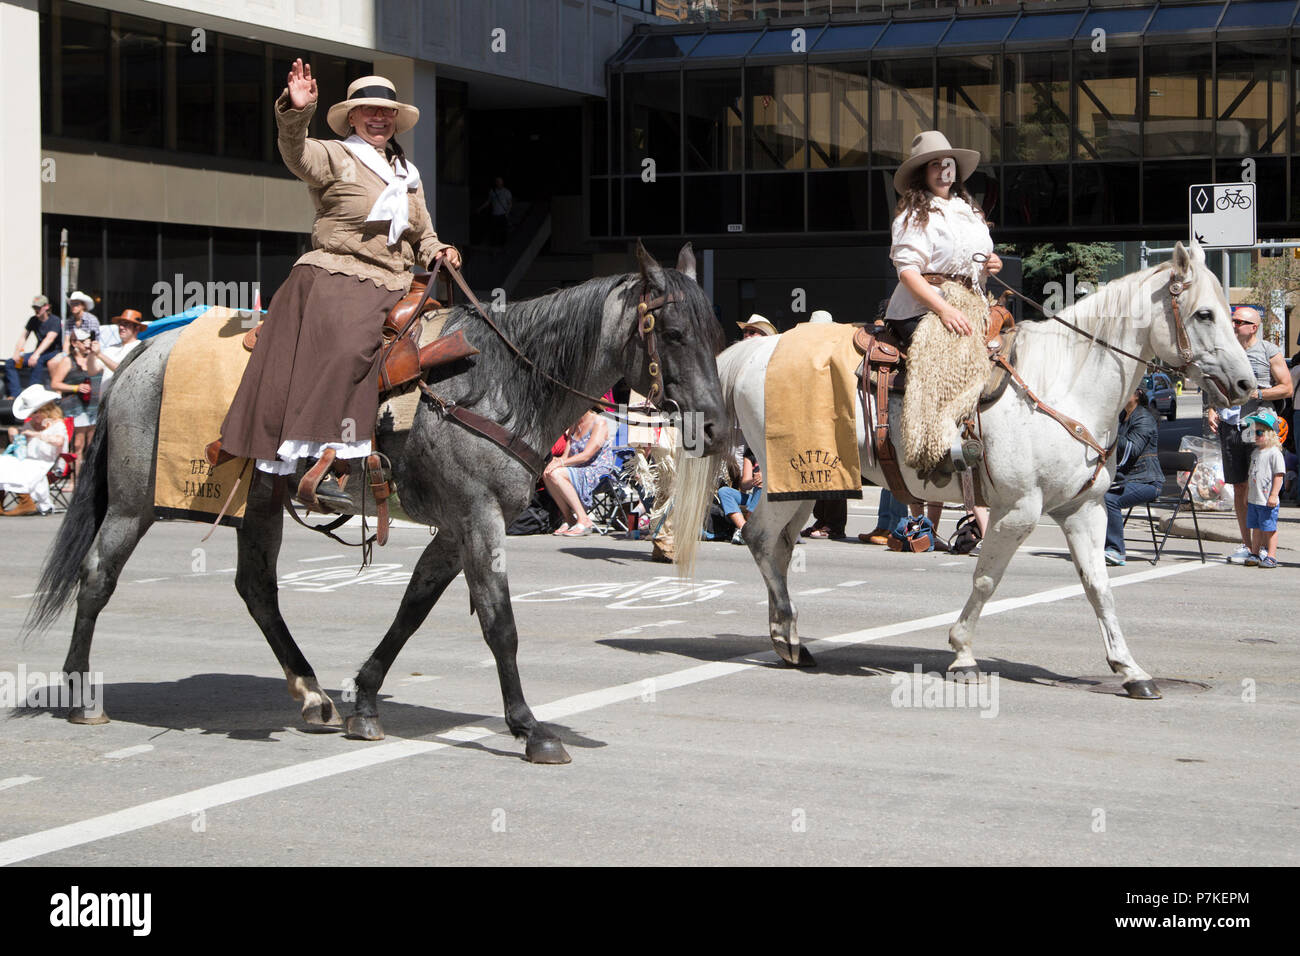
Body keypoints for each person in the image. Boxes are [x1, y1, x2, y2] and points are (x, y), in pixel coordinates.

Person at [218, 63, 461, 506]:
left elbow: (421, 233)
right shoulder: (334, 155)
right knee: (351, 347)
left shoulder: (408, 173)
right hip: (336, 273)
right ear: (352, 117)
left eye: (386, 112)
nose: (379, 118)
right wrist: (297, 111)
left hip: (397, 281)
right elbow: (296, 155)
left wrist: (439, 250)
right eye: (368, 110)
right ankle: (314, 458)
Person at [885, 130, 1002, 479]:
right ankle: (932, 445)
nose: (942, 171)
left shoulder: (969, 211)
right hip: (923, 306)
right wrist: (943, 309)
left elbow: (974, 262)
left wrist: (992, 265)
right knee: (944, 355)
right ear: (922, 173)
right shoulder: (913, 216)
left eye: (947, 164)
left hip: (973, 302)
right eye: (934, 165)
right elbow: (908, 272)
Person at [1205, 306, 1290, 563]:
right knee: (1240, 486)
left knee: (1260, 487)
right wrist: (1211, 408)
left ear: (1253, 327)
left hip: (1257, 425)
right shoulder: (1225, 350)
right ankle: (1246, 545)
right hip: (1230, 424)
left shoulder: (1268, 351)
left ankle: (1263, 547)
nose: (1233, 325)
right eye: (1232, 321)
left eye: (1239, 322)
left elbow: (1286, 387)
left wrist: (1258, 394)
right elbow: (1215, 383)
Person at [1103, 388, 1163, 566]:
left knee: (1109, 499)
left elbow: (1131, 448)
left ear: (1137, 394)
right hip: (1126, 479)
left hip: (1148, 481)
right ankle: (1098, 545)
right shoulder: (1122, 417)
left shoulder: (1144, 418)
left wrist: (1110, 433)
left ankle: (1116, 550)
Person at [543, 408, 617, 537]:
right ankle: (569, 518)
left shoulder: (599, 422)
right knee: (547, 472)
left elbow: (587, 456)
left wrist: (560, 464)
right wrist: (555, 462)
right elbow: (566, 456)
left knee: (557, 473)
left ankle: (584, 519)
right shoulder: (574, 425)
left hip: (597, 470)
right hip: (578, 468)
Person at [0, 385, 67, 516]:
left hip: (48, 463)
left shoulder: (57, 424)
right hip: (29, 459)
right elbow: (20, 445)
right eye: (33, 413)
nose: (33, 416)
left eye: (36, 412)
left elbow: (59, 441)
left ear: (46, 410)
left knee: (22, 467)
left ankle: (26, 502)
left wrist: (36, 434)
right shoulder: (30, 424)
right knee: (3, 461)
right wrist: (14, 435)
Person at [48, 329, 101, 484]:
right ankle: (75, 482)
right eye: (83, 341)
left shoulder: (94, 357)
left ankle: (89, 482)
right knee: (78, 445)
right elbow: (55, 383)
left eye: (88, 340)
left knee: (91, 445)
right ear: (74, 343)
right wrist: (76, 388)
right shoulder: (68, 361)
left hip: (93, 406)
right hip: (75, 407)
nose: (87, 343)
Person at [1241, 408, 1285, 569]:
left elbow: (1278, 476)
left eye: (1258, 432)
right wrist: (1246, 494)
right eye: (1253, 432)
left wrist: (1274, 495)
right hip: (1254, 498)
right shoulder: (1255, 453)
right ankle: (1255, 552)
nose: (1255, 436)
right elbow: (1251, 475)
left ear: (1270, 434)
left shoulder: (1274, 453)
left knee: (1269, 528)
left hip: (1267, 499)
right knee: (1256, 527)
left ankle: (1271, 555)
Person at [6, 295, 63, 396]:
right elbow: (23, 337)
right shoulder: (33, 320)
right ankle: (16, 395)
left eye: (38, 307)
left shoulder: (55, 320)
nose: (36, 310)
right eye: (34, 307)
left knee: (37, 361)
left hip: (53, 352)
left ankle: (32, 394)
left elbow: (49, 339)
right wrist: (17, 353)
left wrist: (36, 355)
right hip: (39, 351)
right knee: (11, 363)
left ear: (46, 307)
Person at [90, 308, 147, 387]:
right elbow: (92, 371)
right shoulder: (110, 348)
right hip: (105, 399)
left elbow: (123, 371)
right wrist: (91, 352)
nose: (121, 327)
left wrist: (99, 354)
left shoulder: (140, 348)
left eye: (126, 324)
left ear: (136, 328)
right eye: (120, 324)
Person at [718, 445, 763, 545]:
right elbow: (744, 485)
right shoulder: (751, 453)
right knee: (724, 492)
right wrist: (754, 480)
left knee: (762, 486)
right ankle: (744, 530)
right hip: (755, 497)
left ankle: (748, 529)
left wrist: (767, 477)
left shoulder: (777, 450)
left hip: (772, 498)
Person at [477, 176, 513, 247]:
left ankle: (503, 245)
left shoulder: (506, 192)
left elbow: (510, 203)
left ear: (502, 182)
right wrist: (480, 208)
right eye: (497, 181)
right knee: (494, 231)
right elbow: (489, 201)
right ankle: (494, 245)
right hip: (494, 214)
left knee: (503, 231)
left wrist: (507, 213)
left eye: (500, 181)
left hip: (502, 214)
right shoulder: (492, 191)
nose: (498, 183)